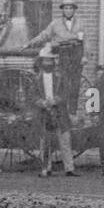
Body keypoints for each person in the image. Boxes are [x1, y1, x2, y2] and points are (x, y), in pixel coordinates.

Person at [33, 47, 77, 177]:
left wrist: (56, 101)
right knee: (45, 142)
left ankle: (69, 168)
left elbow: (66, 92)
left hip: (60, 112)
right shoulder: (36, 79)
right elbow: (32, 96)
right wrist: (42, 103)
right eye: (45, 61)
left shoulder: (60, 77)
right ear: (41, 62)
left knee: (65, 140)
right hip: (44, 113)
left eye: (50, 61)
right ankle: (46, 168)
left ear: (54, 62)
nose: (48, 63)